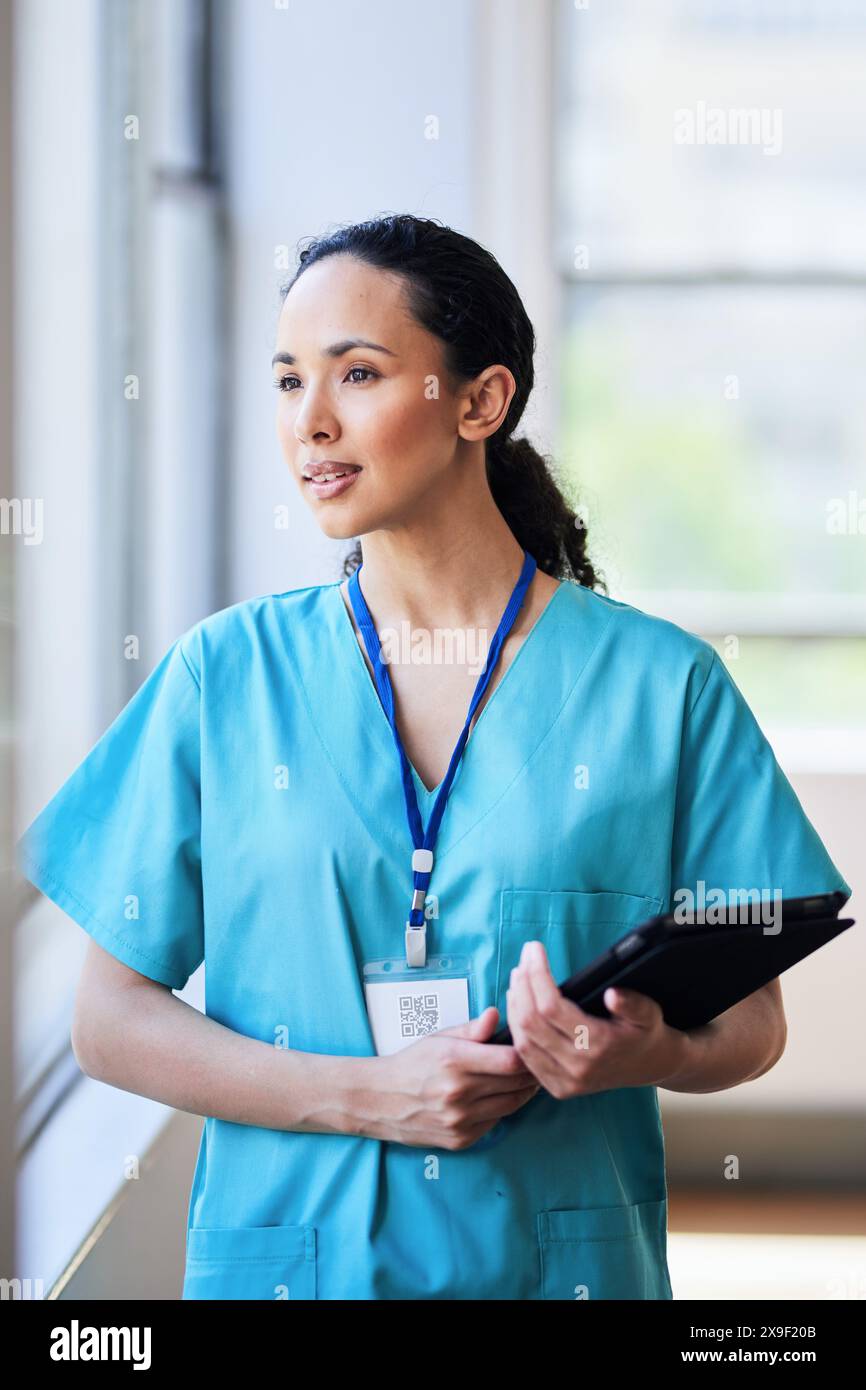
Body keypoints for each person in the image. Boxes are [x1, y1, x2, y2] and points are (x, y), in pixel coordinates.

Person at [17, 213, 851, 1301]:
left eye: (356, 374)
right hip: (290, 1269)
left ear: (479, 401)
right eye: (285, 382)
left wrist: (647, 1054)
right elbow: (108, 1018)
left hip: (557, 1271)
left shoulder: (661, 688)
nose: (309, 422)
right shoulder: (222, 677)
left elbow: (751, 1025)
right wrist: (367, 1095)